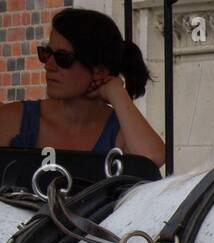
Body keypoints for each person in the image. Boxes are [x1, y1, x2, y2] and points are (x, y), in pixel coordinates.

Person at [0, 8, 165, 166]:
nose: (48, 65)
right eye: (46, 53)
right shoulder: (16, 119)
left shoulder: (118, 131)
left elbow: (151, 159)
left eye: (63, 58)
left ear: (100, 70)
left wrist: (116, 92)